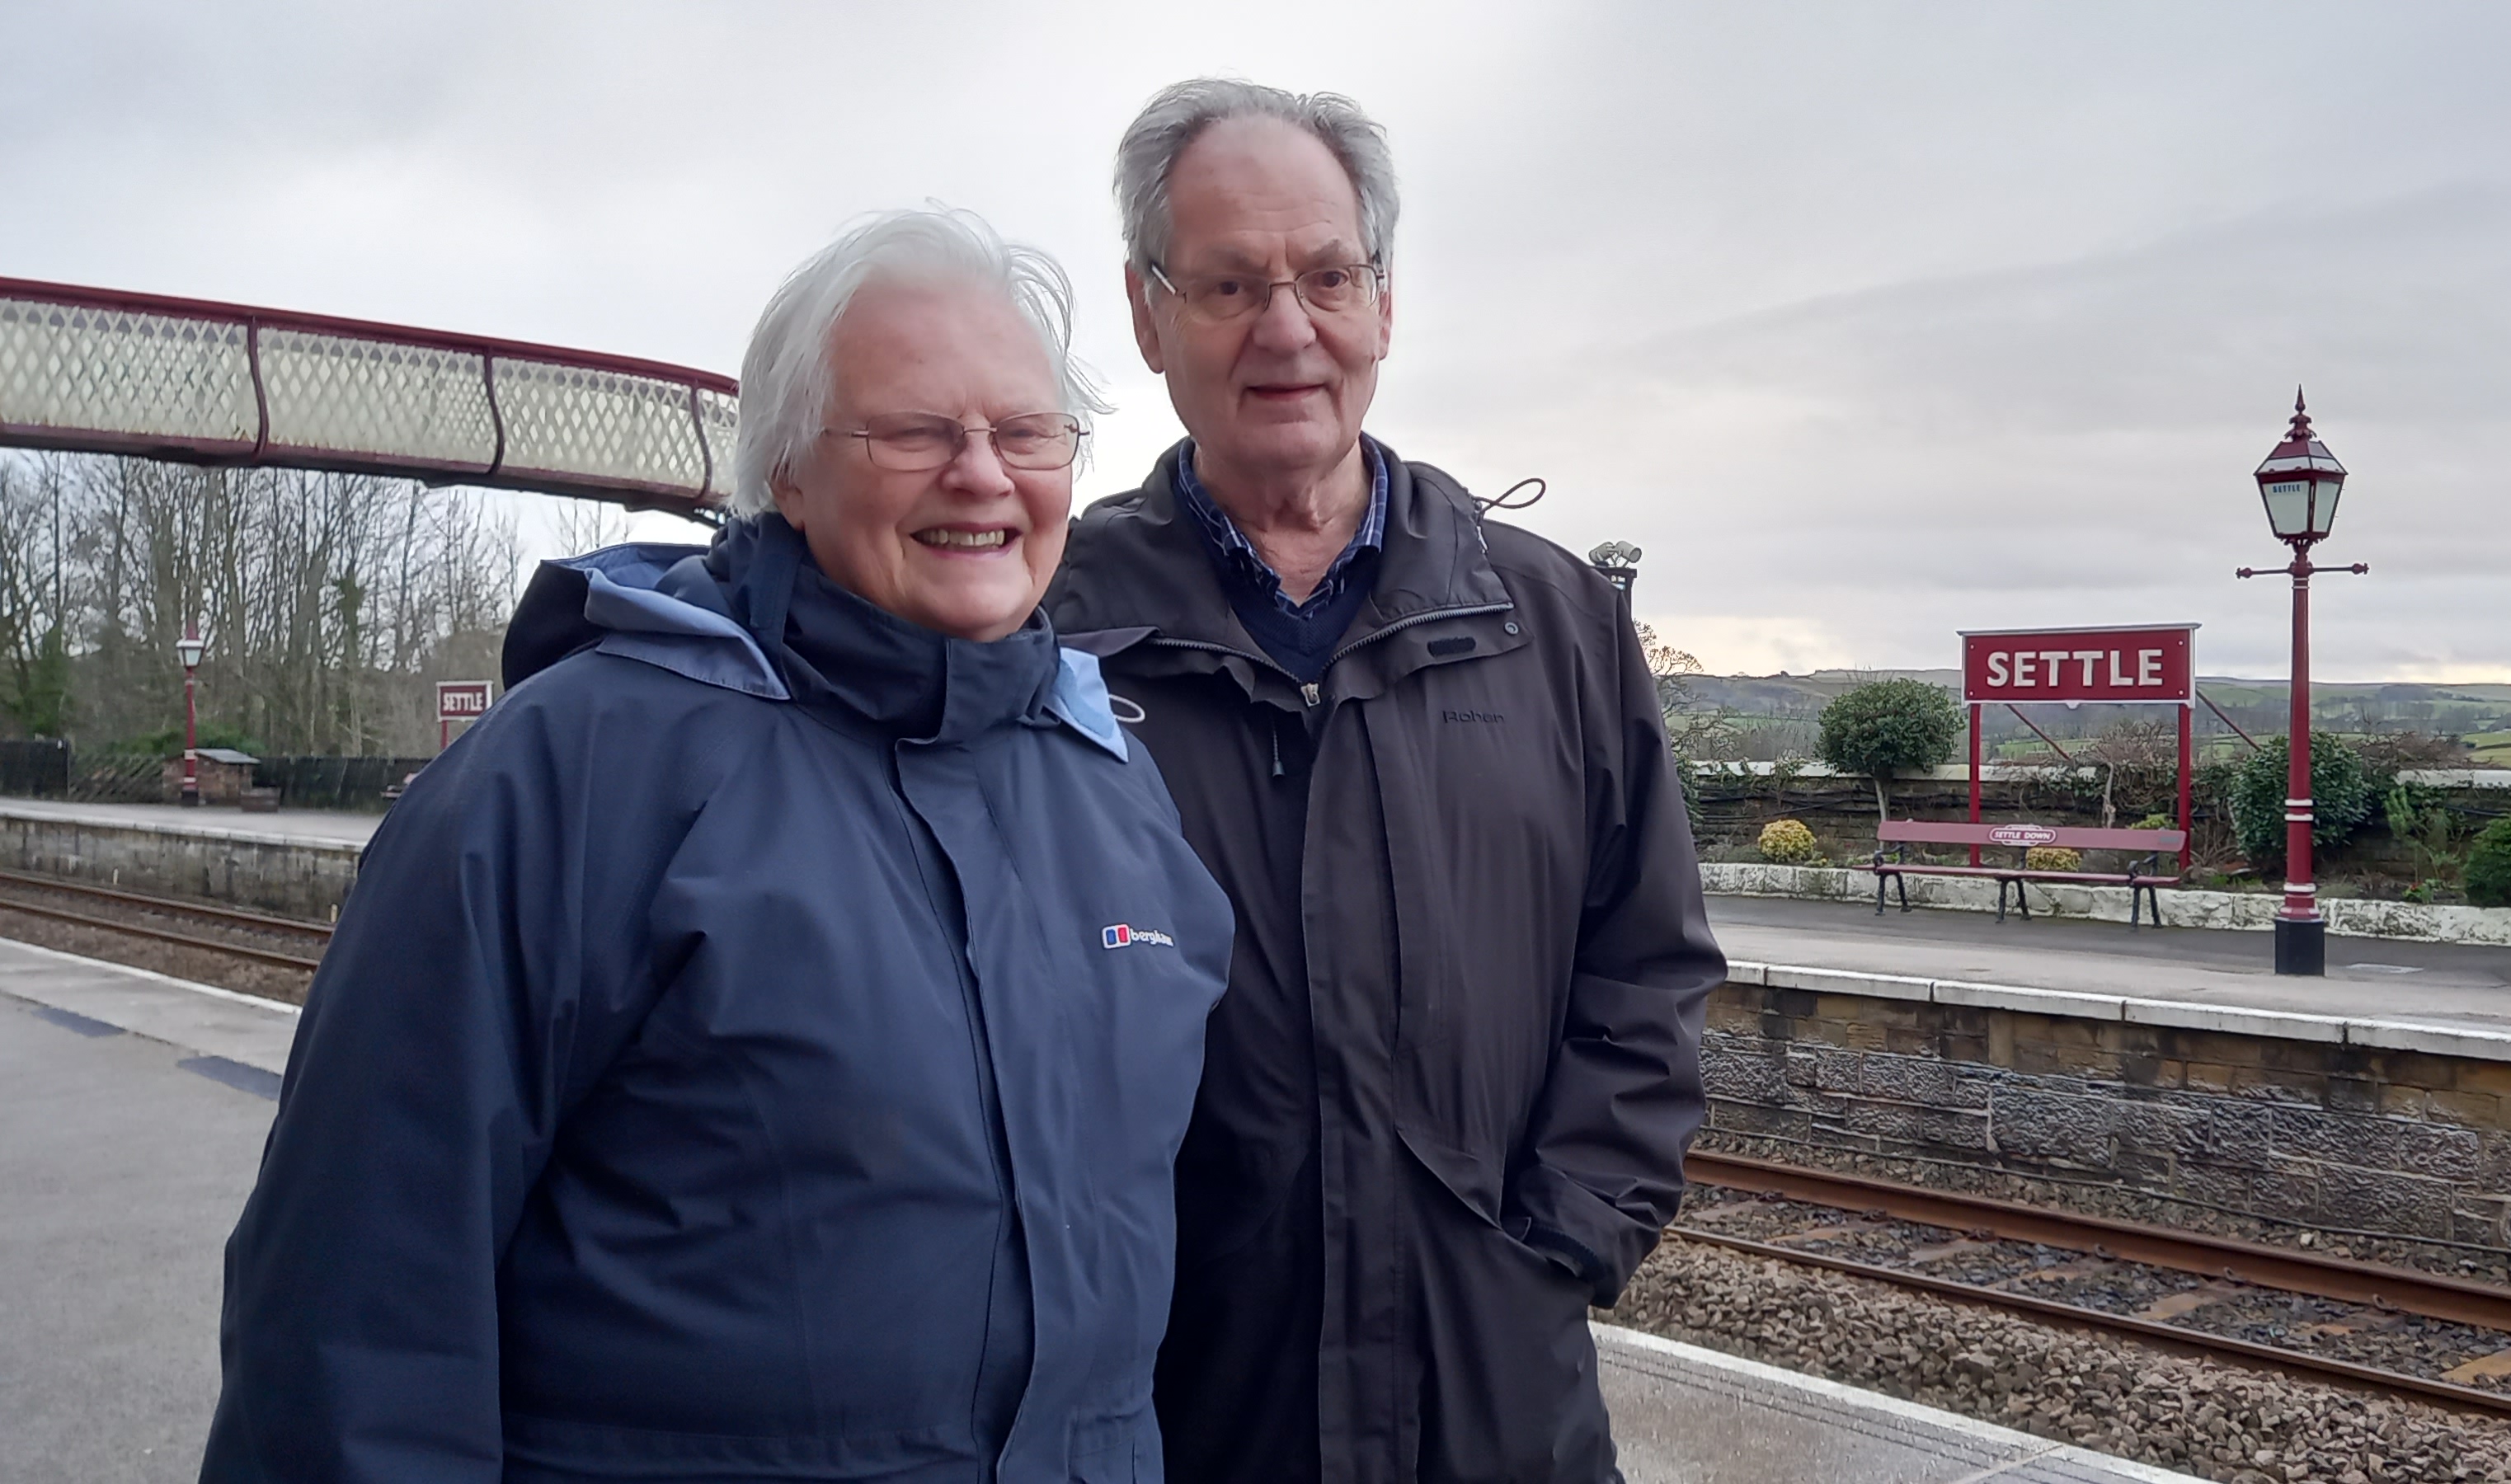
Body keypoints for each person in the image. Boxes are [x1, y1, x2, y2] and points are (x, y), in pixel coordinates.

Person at [200, 209, 1231, 1484]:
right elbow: (355, 1313)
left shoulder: (1114, 789)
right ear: (787, 469)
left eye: (1025, 433)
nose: (982, 473)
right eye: (913, 430)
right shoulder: (565, 780)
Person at [1046, 80, 1723, 1484]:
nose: (1287, 329)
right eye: (1230, 282)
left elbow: (1646, 968)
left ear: (1386, 299)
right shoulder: (1043, 632)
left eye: (1327, 276)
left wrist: (1558, 1244)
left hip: (1496, 1408)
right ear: (1146, 311)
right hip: (1172, 1411)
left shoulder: (1555, 627)